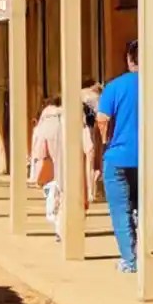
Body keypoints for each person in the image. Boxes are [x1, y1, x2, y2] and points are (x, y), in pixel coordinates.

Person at [97, 40, 141, 273]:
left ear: (129, 59)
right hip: (149, 157)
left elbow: (102, 120)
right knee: (146, 208)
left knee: (120, 209)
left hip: (118, 156)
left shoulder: (114, 87)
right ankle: (149, 252)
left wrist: (106, 142)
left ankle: (130, 259)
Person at [28, 95, 94, 241]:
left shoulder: (45, 123)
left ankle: (60, 229)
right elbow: (89, 148)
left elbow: (40, 151)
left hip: (53, 168)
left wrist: (37, 170)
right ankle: (73, 226)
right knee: (75, 193)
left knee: (57, 194)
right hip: (76, 165)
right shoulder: (76, 119)